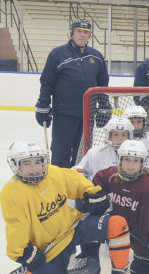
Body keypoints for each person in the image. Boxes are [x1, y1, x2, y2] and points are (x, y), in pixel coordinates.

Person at [0, 141, 113, 274]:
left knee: (116, 224)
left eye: (38, 162)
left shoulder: (53, 173)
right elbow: (15, 227)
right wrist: (24, 253)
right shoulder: (12, 193)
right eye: (27, 164)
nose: (34, 168)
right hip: (50, 247)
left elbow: (77, 182)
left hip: (74, 227)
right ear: (15, 165)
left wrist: (93, 194)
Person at [92, 140, 149, 274]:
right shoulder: (113, 175)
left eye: (135, 161)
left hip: (141, 235)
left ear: (142, 163)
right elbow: (99, 179)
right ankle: (88, 259)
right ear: (120, 160)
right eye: (127, 159)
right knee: (90, 219)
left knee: (139, 272)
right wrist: (95, 196)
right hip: (118, 231)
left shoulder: (146, 185)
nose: (130, 165)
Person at [35, 19, 109, 167]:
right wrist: (43, 104)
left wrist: (104, 105)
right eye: (79, 31)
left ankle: (77, 186)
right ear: (72, 34)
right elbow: (47, 81)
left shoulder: (97, 57)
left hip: (87, 116)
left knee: (81, 155)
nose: (82, 35)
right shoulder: (58, 54)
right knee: (61, 153)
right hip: (64, 115)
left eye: (86, 32)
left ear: (89, 35)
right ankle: (59, 185)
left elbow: (102, 84)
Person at [76, 116, 133, 180]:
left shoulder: (136, 154)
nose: (120, 138)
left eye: (124, 135)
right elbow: (79, 170)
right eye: (116, 135)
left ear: (130, 136)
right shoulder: (95, 153)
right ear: (108, 136)